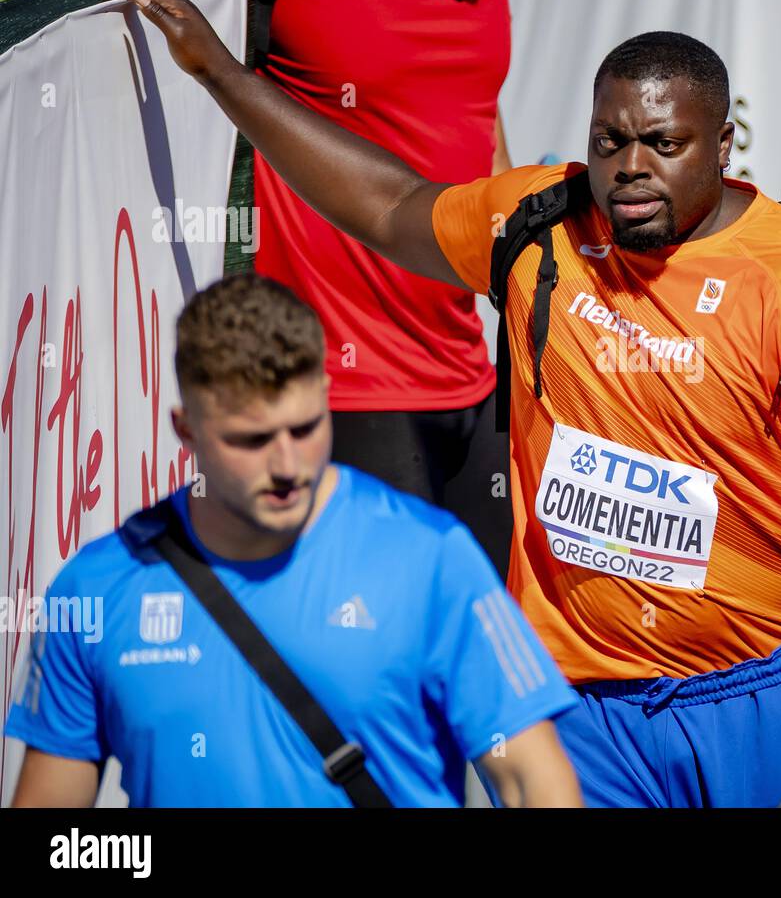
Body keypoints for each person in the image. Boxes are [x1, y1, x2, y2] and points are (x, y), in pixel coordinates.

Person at [96, 0, 781, 806]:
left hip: (767, 695)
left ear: (722, 143)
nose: (631, 167)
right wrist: (221, 73)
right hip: (577, 707)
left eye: (663, 143)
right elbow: (384, 203)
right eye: (610, 140)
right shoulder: (536, 225)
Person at [4, 274, 581, 807]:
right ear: (186, 431)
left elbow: (535, 781)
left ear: (326, 394)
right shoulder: (94, 589)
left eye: (304, 428)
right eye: (251, 440)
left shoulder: (433, 560)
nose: (287, 466)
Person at [131, 0, 516, 575]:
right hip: (338, 388)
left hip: (468, 372)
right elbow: (78, 28)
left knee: (486, 628)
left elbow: (475, 111)